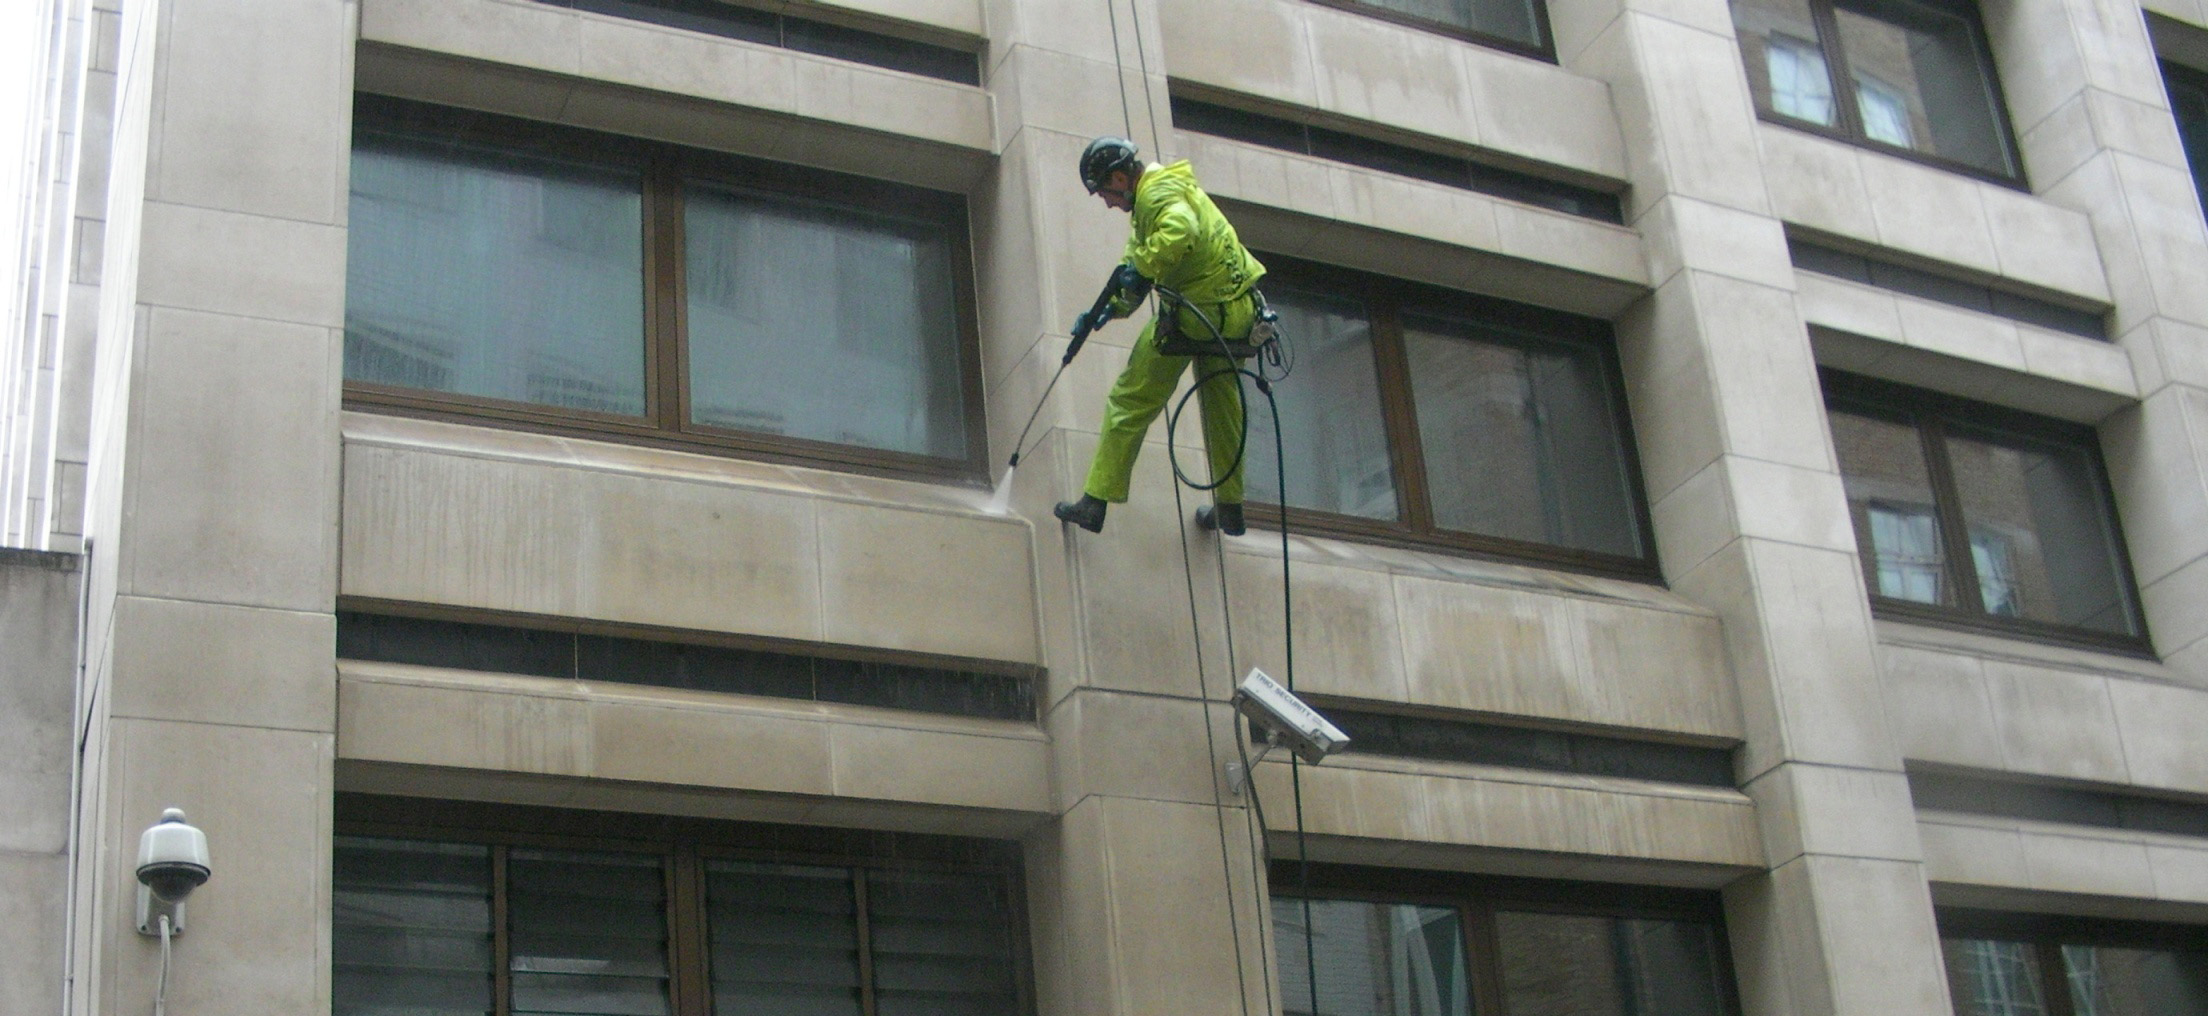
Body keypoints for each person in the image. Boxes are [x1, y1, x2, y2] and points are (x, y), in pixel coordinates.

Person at [1053, 136, 1266, 536]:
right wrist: (1104, 310)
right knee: (1223, 407)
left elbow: (1175, 234)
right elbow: (1134, 264)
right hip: (1237, 316)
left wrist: (1145, 268)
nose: (1106, 202)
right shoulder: (1166, 191)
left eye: (1104, 192)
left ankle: (1095, 501)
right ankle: (1231, 507)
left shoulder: (1156, 196)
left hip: (1196, 318)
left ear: (1119, 178)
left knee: (1129, 399)